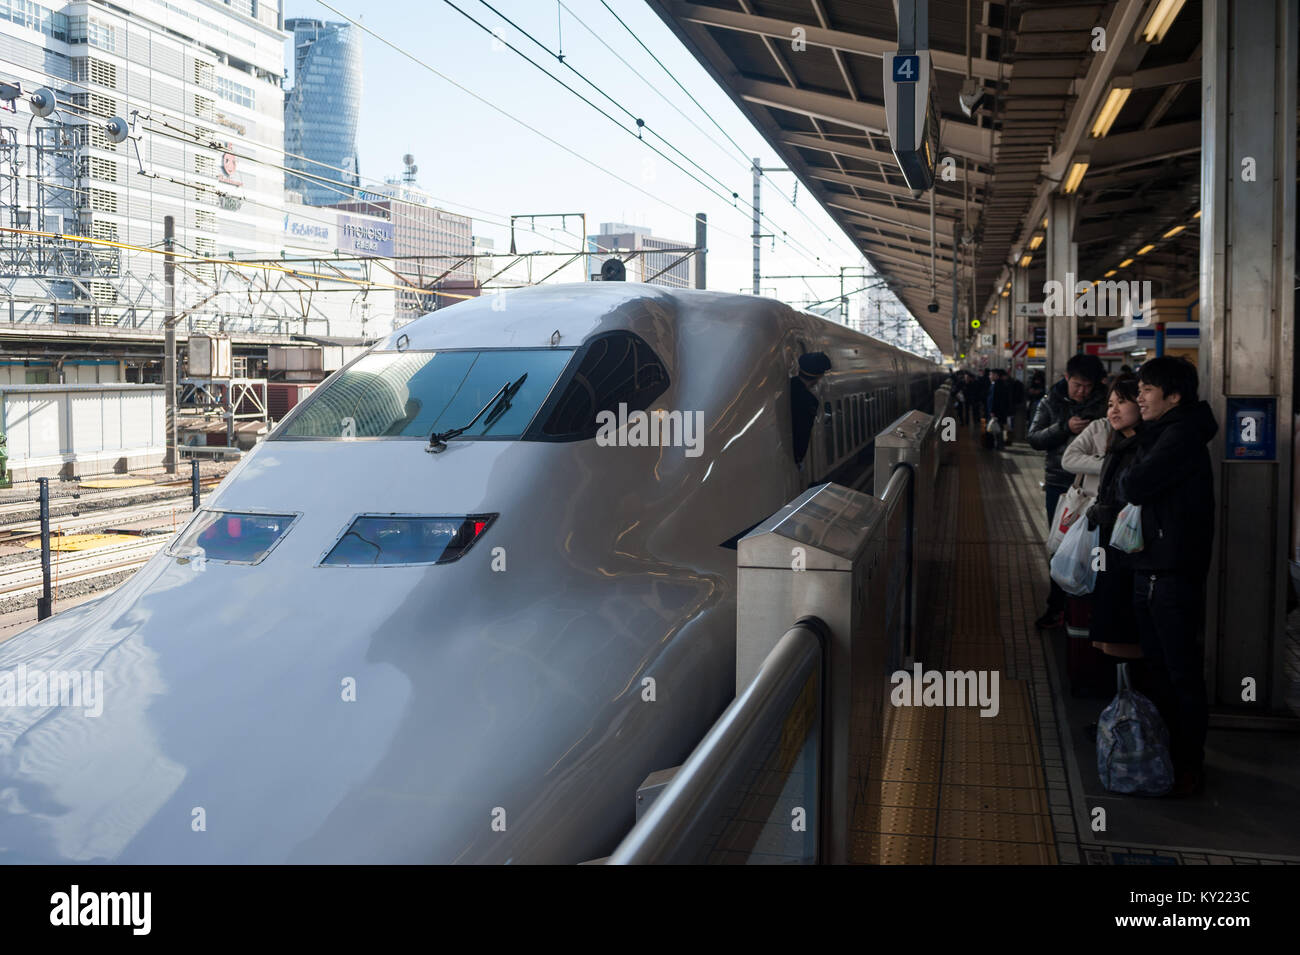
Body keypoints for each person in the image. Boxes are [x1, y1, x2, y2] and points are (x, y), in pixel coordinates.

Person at [1120, 357, 1218, 796]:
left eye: (1147, 390)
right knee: (1161, 669)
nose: (1139, 397)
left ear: (1173, 396)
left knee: (1178, 673)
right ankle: (1165, 753)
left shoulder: (1178, 436)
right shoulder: (1168, 433)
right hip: (1157, 567)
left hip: (1171, 573)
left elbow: (1135, 485)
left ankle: (1187, 764)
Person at [1028, 354, 1108, 629]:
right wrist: (1065, 428)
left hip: (1097, 487)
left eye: (1087, 385)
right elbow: (1034, 438)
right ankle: (1056, 607)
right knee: (1060, 545)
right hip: (1060, 486)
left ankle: (1088, 609)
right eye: (1077, 384)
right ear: (1066, 378)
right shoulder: (1051, 401)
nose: (1082, 391)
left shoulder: (1107, 404)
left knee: (1094, 548)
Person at [1081, 375, 1145, 660]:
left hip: (1130, 556)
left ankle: (1132, 698)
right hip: (1111, 549)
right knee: (1111, 624)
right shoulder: (1118, 444)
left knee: (1127, 631)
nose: (1113, 411)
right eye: (1110, 404)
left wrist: (1104, 512)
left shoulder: (1145, 448)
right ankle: (1122, 694)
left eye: (1122, 402)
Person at [789, 351, 831, 469]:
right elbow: (803, 431)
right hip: (794, 457)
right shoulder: (809, 401)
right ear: (819, 376)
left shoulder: (789, 385)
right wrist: (799, 458)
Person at [986, 369, 1013, 450]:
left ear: (996, 375)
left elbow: (994, 399)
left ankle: (998, 445)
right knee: (999, 428)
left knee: (996, 429)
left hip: (996, 412)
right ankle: (1000, 445)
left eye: (991, 375)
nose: (989, 377)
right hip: (1001, 411)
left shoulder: (996, 385)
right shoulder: (1001, 384)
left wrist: (992, 411)